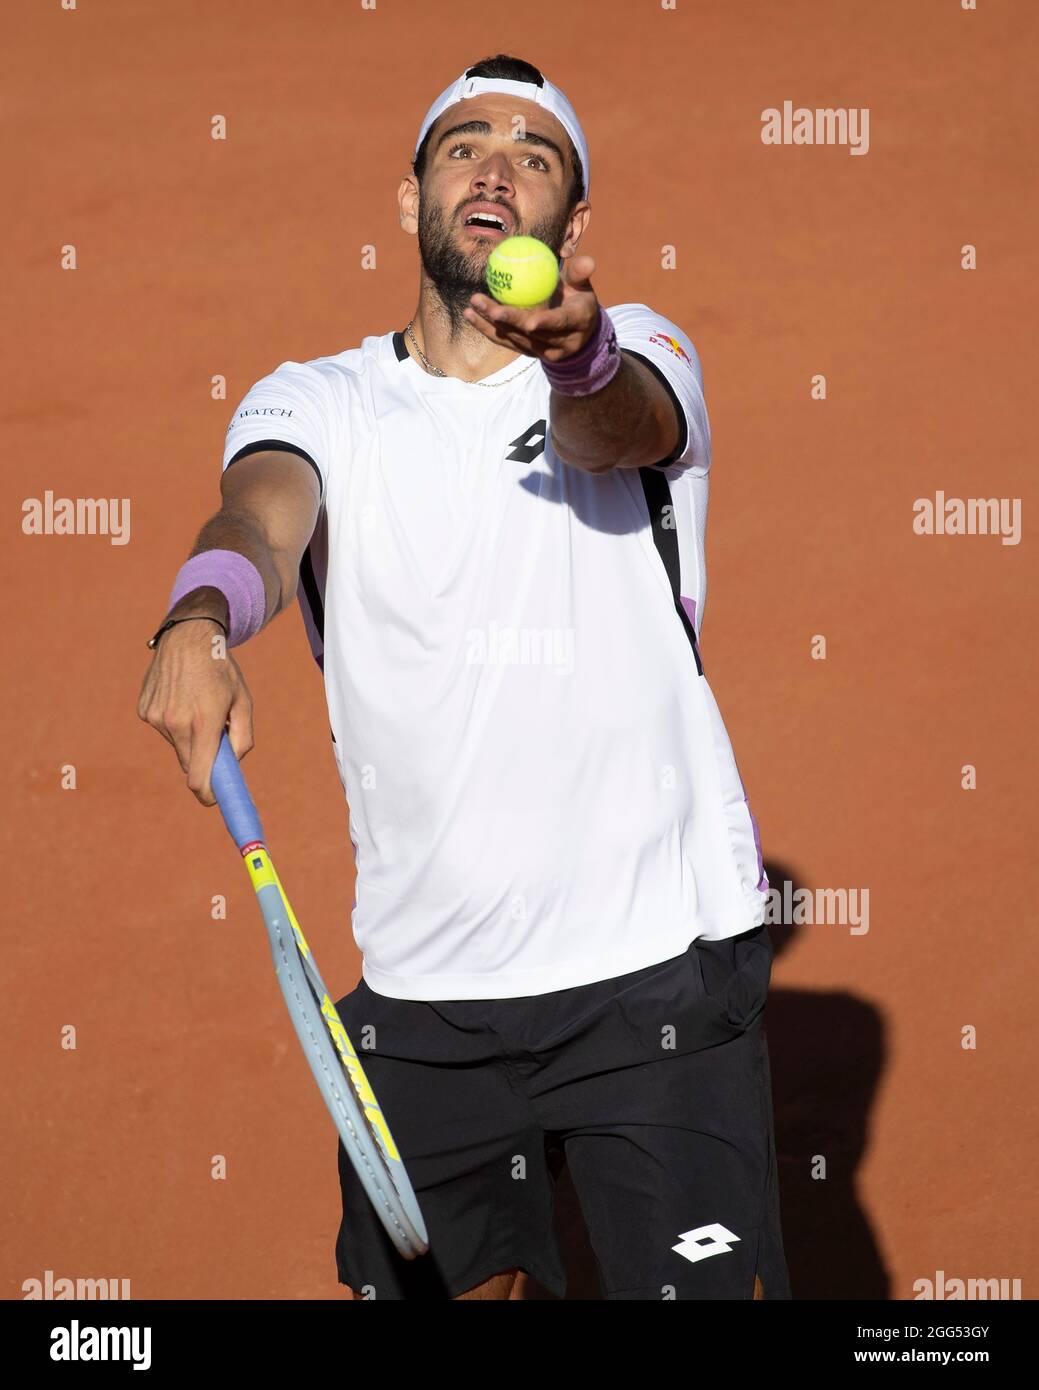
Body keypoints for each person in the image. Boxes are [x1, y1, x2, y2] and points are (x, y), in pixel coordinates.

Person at [137, 53, 791, 1302]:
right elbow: (261, 522)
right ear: (412, 198)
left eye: (533, 154)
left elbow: (627, 425)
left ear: (571, 223)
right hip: (426, 997)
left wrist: (578, 360)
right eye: (465, 146)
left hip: (652, 973)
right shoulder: (319, 398)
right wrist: (197, 619)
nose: (495, 168)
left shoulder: (639, 348)